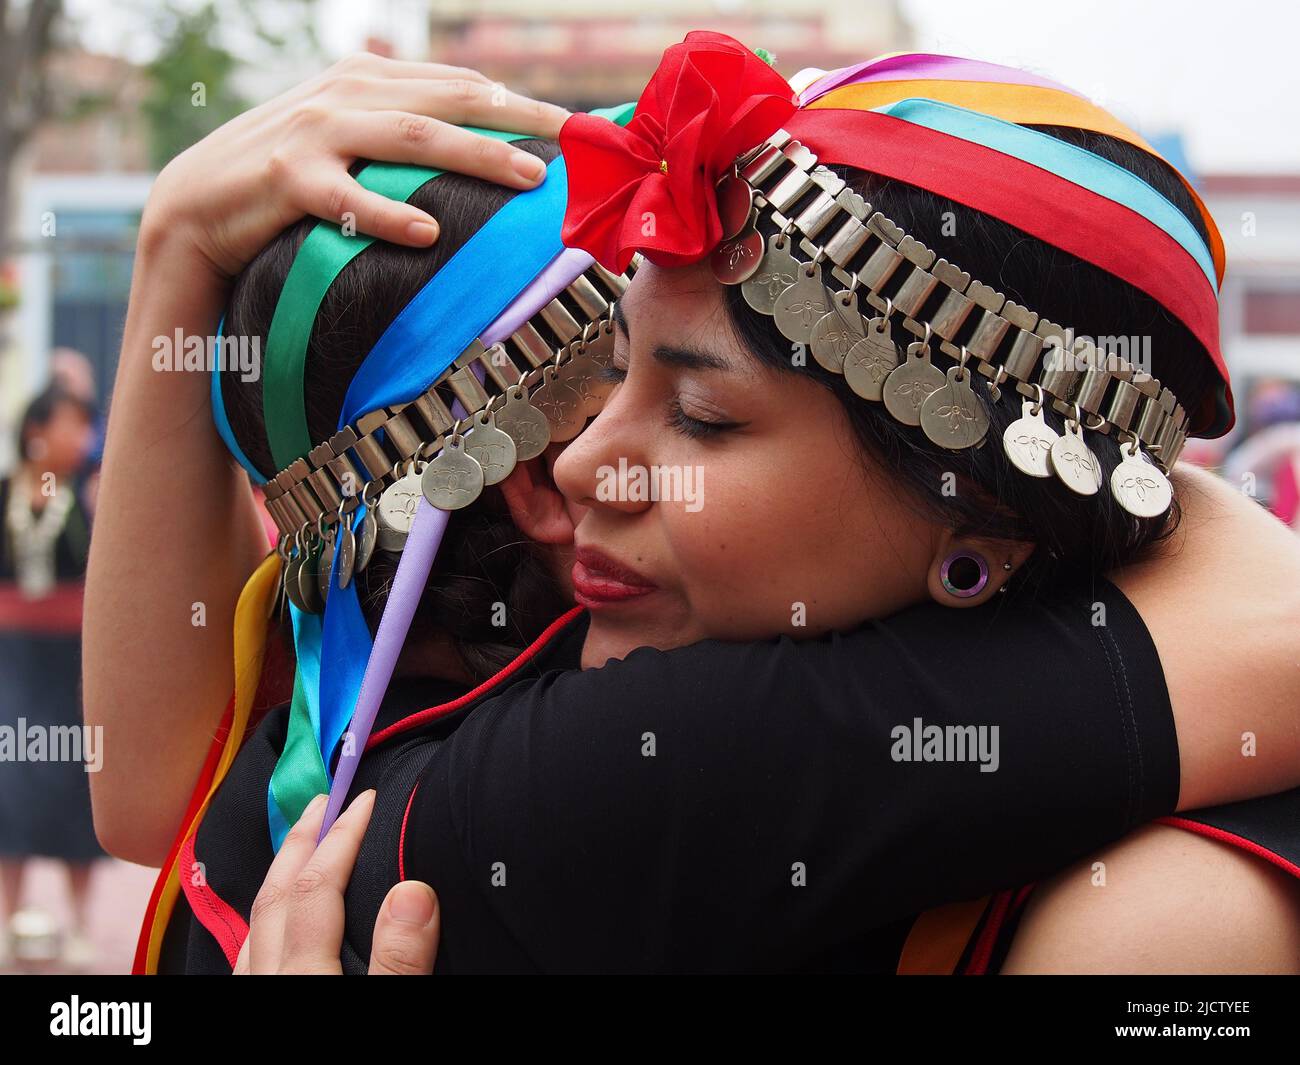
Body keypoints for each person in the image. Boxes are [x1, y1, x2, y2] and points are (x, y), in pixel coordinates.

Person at [86, 41, 1300, 975]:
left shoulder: (1166, 923)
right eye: (613, 377)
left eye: (701, 417)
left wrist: (177, 244)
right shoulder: (556, 773)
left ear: (978, 512)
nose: (569, 477)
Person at [0, 384, 102, 968]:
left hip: (68, 671)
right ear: (37, 429)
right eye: (71, 425)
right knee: (10, 788)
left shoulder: (87, 502)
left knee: (70, 786)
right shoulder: (8, 495)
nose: (82, 439)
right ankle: (13, 917)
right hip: (12, 665)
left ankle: (82, 924)